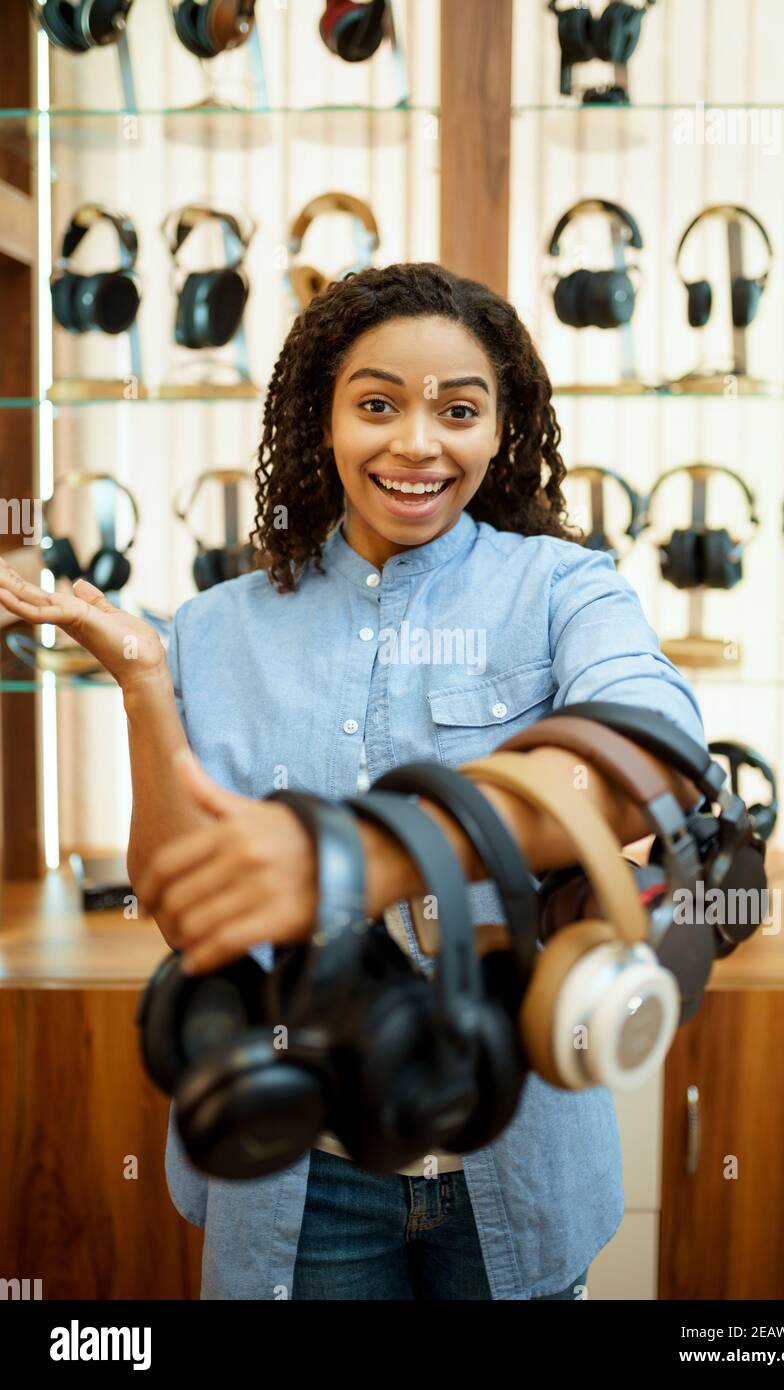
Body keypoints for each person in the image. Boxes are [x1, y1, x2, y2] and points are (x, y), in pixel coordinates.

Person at [0, 261, 707, 1301]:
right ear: (321, 418)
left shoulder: (564, 589)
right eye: (376, 404)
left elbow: (658, 746)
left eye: (458, 410)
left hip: (518, 1159)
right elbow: (173, 904)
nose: (417, 443)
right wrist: (146, 679)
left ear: (501, 428)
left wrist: (367, 857)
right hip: (300, 1169)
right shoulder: (215, 626)